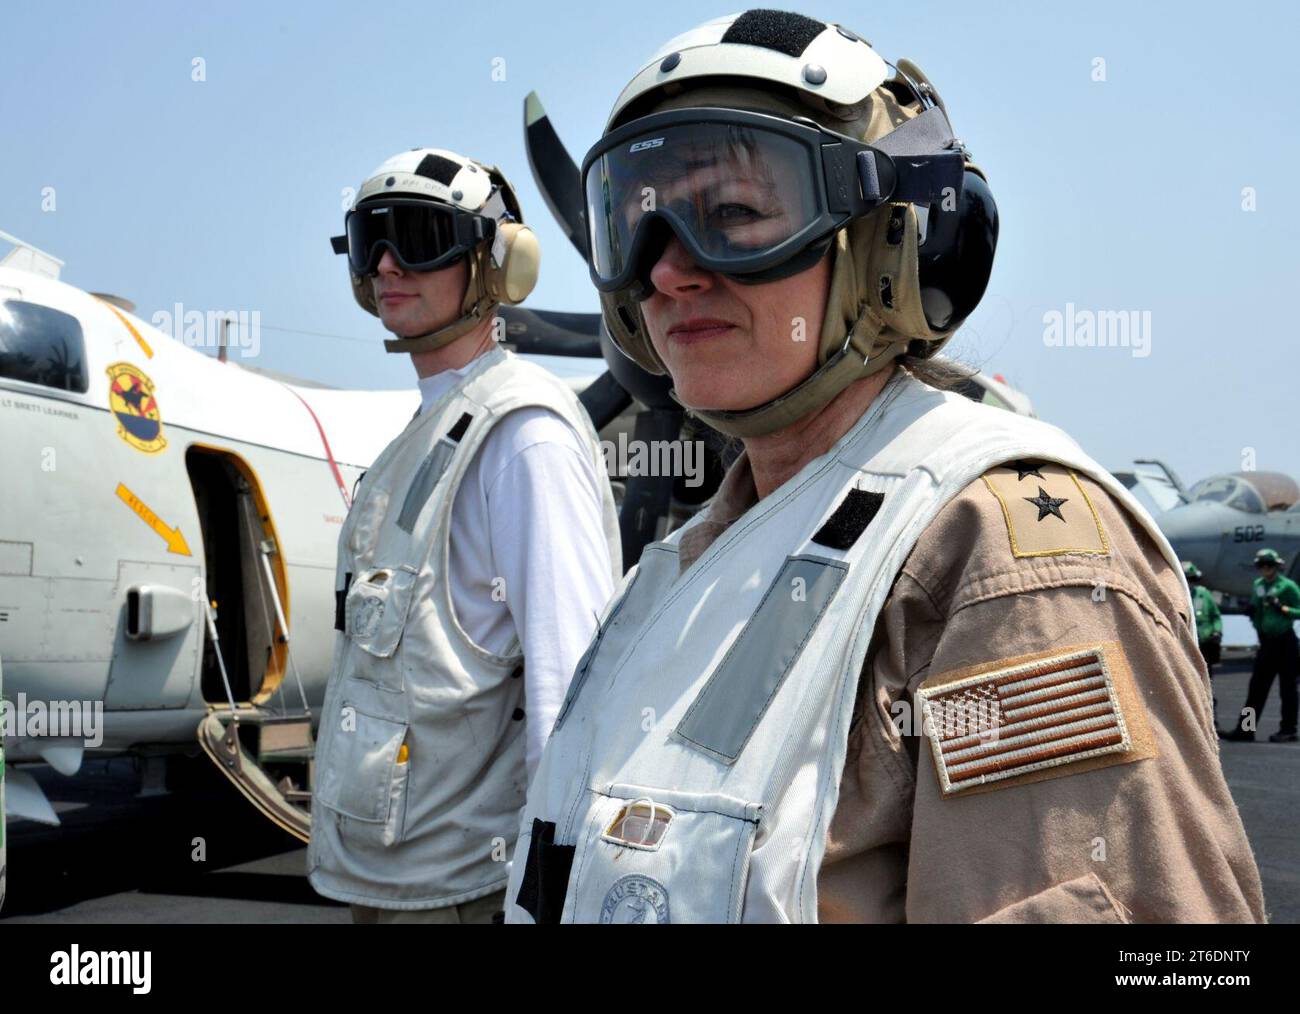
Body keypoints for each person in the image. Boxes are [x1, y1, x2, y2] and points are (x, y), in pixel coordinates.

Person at [506, 10, 1264, 923]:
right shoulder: (674, 576)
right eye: (637, 224)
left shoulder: (1003, 566)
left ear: (888, 245)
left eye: (735, 215)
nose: (666, 274)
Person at [308, 148, 622, 923]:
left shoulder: (522, 436)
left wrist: (550, 894)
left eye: (417, 235)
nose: (385, 263)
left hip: (465, 899)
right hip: (388, 886)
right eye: (369, 236)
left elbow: (570, 688)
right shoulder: (428, 430)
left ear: (496, 263)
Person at [1222, 547, 1300, 744]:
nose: (1265, 569)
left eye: (1269, 565)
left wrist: (1282, 608)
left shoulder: (1288, 586)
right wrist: (1251, 611)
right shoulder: (1258, 585)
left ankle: (1288, 729)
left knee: (1288, 689)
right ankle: (1246, 729)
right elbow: (1257, 608)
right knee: (1256, 688)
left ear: (1276, 566)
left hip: (1286, 642)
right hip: (1266, 642)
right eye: (1262, 565)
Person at [1184, 560, 1222, 728]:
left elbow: (1215, 616)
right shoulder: (1172, 596)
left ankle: (1212, 721)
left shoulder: (1203, 594)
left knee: (1208, 683)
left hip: (1205, 645)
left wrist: (1217, 631)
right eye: (1185, 579)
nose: (1188, 583)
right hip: (1186, 648)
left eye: (1191, 579)